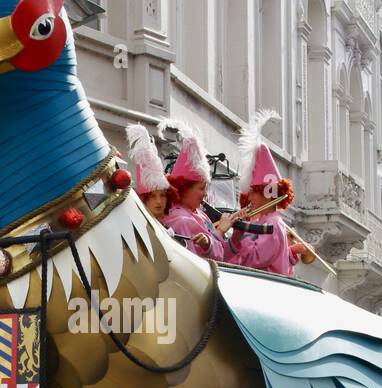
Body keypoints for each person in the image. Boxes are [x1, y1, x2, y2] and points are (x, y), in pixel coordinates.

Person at [226, 111, 306, 277]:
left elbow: (254, 260)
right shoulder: (267, 221)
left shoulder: (273, 224)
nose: (249, 198)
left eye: (253, 193)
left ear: (266, 193)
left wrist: (241, 233)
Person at [157, 119, 233, 259]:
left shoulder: (199, 214)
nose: (205, 194)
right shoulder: (181, 220)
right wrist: (220, 231)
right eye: (201, 188)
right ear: (184, 188)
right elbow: (196, 263)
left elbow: (225, 254)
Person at [126, 123, 171, 224]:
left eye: (162, 195)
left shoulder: (171, 224)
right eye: (152, 196)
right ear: (143, 198)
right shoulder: (137, 224)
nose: (159, 201)